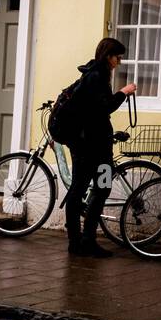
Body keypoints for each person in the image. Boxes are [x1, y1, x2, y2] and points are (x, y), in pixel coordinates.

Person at [63, 37, 137, 257]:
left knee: (102, 188)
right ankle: (76, 242)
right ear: (108, 56)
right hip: (86, 149)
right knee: (78, 191)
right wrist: (123, 93)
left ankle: (88, 240)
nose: (119, 62)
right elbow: (103, 108)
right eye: (118, 57)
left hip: (101, 150)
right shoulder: (95, 77)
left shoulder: (99, 75)